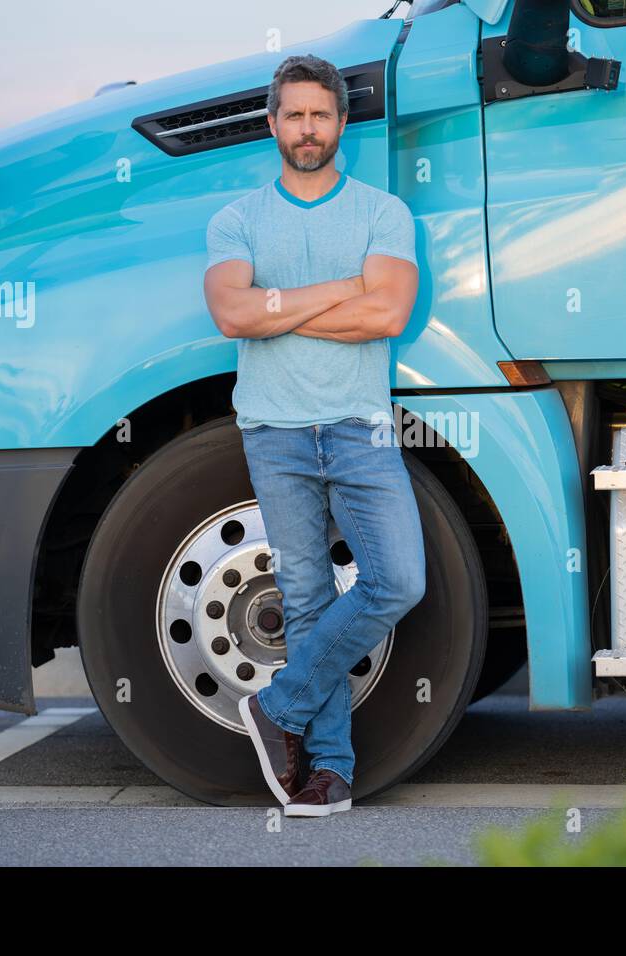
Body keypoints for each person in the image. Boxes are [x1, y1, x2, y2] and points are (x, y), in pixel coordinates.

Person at [202, 53, 426, 817]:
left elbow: (388, 314)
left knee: (398, 579)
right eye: (294, 115)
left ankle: (279, 707)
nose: (307, 128)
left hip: (359, 426)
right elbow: (232, 315)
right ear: (273, 124)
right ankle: (328, 774)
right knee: (303, 599)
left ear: (340, 123)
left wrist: (278, 305)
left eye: (321, 114)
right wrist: (341, 289)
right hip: (275, 430)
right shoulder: (236, 221)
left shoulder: (382, 212)